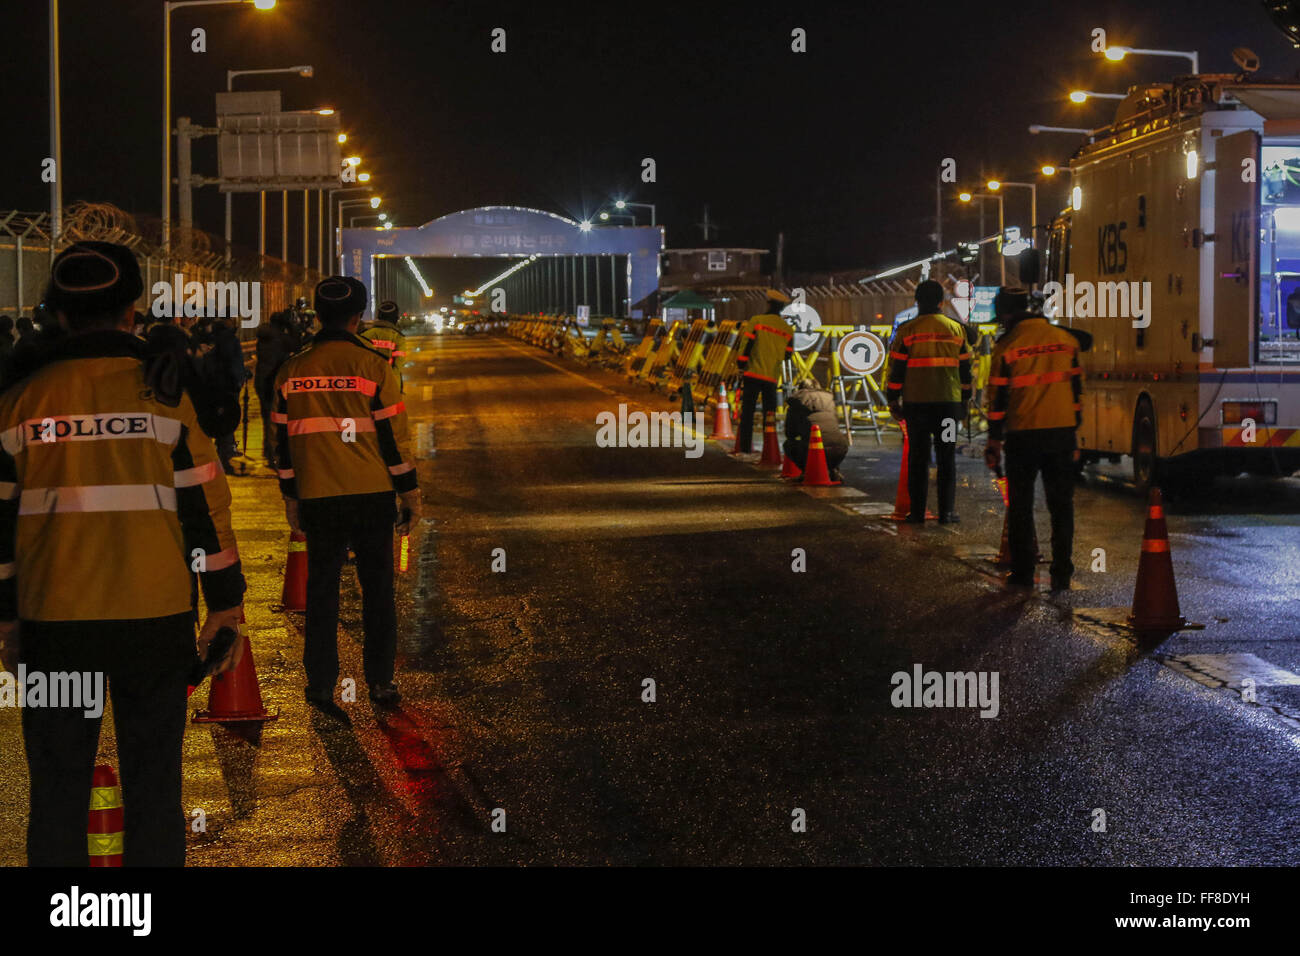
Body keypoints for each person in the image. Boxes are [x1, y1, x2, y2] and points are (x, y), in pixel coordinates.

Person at [0, 241, 244, 865]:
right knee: (154, 787)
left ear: (55, 313)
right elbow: (205, 512)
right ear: (133, 310)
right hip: (153, 623)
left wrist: (7, 618)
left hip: (54, 625)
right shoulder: (164, 396)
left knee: (56, 791)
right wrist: (225, 607)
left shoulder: (21, 401)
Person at [273, 276, 421, 721]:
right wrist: (409, 492)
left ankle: (320, 683)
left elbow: (282, 444)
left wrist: (290, 495)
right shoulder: (375, 366)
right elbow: (394, 440)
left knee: (322, 592)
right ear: (359, 316)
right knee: (377, 591)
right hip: (371, 494)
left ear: (317, 315)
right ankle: (379, 681)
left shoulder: (292, 369)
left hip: (318, 496)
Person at [983, 287, 1083, 592]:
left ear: (1006, 314)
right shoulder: (1066, 341)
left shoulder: (1007, 346)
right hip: (1062, 433)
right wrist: (1075, 432)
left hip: (1023, 435)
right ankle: (1062, 571)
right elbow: (1077, 392)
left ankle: (1023, 572)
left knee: (1021, 506)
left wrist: (994, 442)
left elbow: (998, 400)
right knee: (1061, 505)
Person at [887, 279, 972, 523]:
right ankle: (947, 512)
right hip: (947, 405)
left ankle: (917, 513)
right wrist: (964, 401)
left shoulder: (907, 330)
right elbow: (965, 370)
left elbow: (897, 371)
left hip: (917, 407)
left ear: (917, 301)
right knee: (946, 457)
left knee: (918, 457)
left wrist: (893, 399)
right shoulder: (956, 330)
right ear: (942, 302)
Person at [733, 289, 794, 453]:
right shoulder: (788, 329)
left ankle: (745, 447)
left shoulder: (757, 321)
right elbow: (788, 355)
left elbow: (746, 345)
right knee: (770, 414)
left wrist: (741, 364)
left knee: (748, 412)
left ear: (768, 304)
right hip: (772, 377)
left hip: (753, 372)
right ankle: (770, 448)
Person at [255, 311, 301, 466]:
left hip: (261, 380)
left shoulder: (264, 336)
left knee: (266, 416)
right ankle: (273, 452)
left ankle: (267, 450)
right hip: (273, 380)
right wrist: (292, 326)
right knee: (276, 418)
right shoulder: (280, 338)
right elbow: (297, 344)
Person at [783, 377, 848, 480]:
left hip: (814, 451)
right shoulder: (829, 400)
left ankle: (807, 472)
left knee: (789, 444)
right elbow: (834, 425)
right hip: (841, 449)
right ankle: (833, 470)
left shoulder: (796, 401)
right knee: (829, 436)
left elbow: (790, 433)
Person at [361, 300, 408, 391]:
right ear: (395, 318)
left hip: (367, 386)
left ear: (379, 316)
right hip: (390, 386)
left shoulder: (365, 335)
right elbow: (398, 365)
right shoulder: (398, 338)